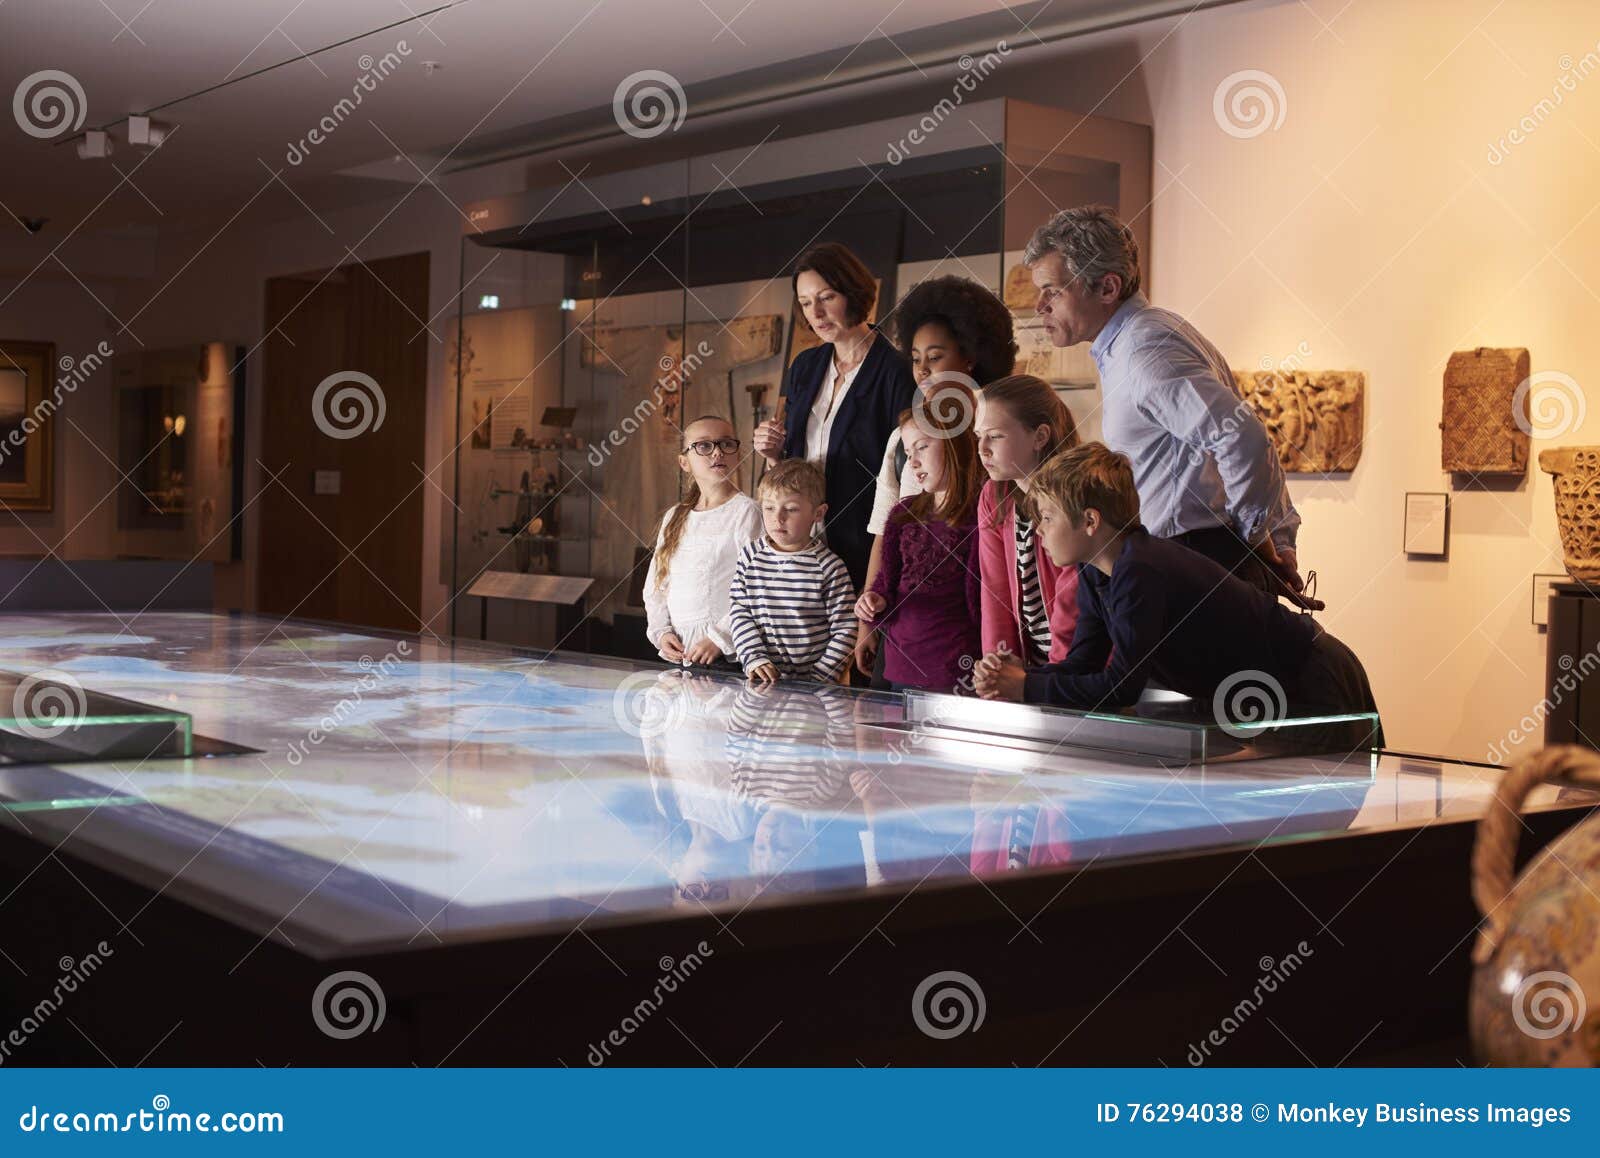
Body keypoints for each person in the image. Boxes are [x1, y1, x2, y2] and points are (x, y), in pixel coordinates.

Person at [972, 443, 1381, 742]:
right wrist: (1019, 676)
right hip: (1265, 691)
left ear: (1091, 521)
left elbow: (1122, 687)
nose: (1038, 529)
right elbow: (1084, 664)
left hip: (1311, 676)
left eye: (1047, 517)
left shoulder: (1140, 570)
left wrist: (1025, 687)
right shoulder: (1096, 571)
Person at [1024, 205, 1319, 608]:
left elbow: (1242, 437)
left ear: (1107, 288)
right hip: (1190, 556)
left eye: (1053, 291)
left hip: (1193, 559)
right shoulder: (1142, 337)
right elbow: (1240, 433)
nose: (1039, 306)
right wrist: (1274, 539)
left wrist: (1256, 542)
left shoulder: (1144, 349)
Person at [854, 275, 1017, 677]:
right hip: (902, 630)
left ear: (970, 357)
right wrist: (865, 624)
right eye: (915, 358)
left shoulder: (993, 430)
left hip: (966, 638)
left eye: (936, 356)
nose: (923, 369)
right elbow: (883, 534)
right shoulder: (901, 438)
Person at [752, 243, 916, 594]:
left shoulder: (897, 371)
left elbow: (906, 474)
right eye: (806, 302)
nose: (816, 313)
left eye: (826, 297)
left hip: (862, 543)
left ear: (853, 293)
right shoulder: (804, 366)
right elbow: (794, 460)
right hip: (800, 545)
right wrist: (773, 455)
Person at [855, 381, 984, 693]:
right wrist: (872, 603)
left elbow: (983, 606)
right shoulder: (903, 514)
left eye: (922, 447)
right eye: (908, 452)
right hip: (898, 666)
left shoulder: (981, 516)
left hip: (955, 671)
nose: (912, 462)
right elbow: (886, 584)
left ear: (954, 443)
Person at [974, 374, 1081, 666]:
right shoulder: (993, 495)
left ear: (1040, 437)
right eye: (978, 436)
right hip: (1034, 665)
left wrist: (1055, 677)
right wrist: (999, 666)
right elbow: (995, 593)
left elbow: (1074, 602)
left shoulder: (1073, 491)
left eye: (995, 436)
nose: (982, 448)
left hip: (1079, 663)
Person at [643, 416, 763, 669]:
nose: (717, 452)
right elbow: (657, 585)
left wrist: (719, 639)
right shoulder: (674, 516)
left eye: (726, 444)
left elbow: (757, 588)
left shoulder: (747, 512)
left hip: (726, 655)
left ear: (737, 453)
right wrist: (662, 632)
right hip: (681, 653)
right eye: (704, 446)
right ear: (684, 462)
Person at [728, 459, 857, 686]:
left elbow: (846, 628)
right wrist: (754, 658)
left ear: (818, 513)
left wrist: (819, 678)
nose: (778, 518)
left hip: (813, 689)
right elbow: (739, 611)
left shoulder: (830, 567)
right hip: (761, 683)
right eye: (769, 507)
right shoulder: (750, 555)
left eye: (791, 509)